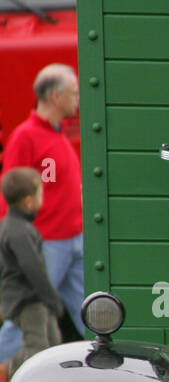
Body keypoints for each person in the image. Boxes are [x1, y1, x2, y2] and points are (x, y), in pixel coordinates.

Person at [0, 63, 83, 365]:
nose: (77, 100)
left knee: (91, 309)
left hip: (74, 239)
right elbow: (8, 191)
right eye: (73, 93)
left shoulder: (56, 134)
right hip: (48, 243)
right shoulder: (26, 137)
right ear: (55, 96)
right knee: (27, 313)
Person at [0, 168, 67, 373]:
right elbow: (33, 268)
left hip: (32, 299)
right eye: (40, 194)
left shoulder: (12, 226)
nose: (42, 199)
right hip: (28, 300)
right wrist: (52, 299)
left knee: (53, 343)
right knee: (37, 348)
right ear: (29, 201)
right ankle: (13, 371)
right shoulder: (19, 231)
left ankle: (53, 377)